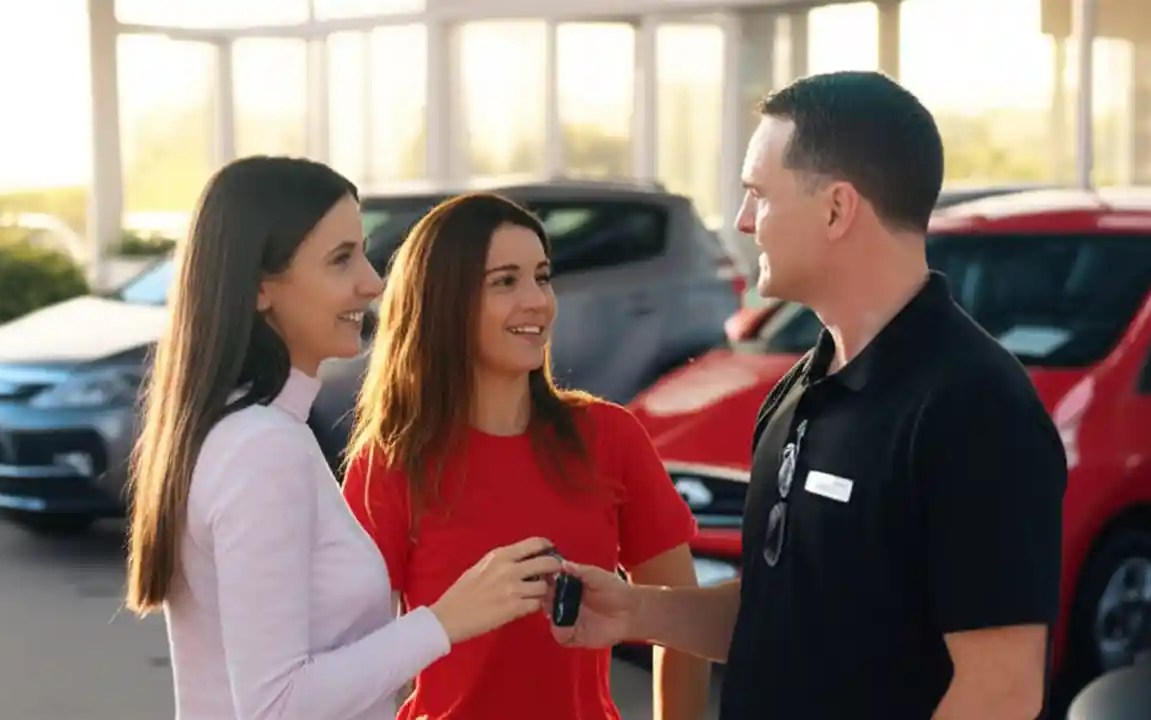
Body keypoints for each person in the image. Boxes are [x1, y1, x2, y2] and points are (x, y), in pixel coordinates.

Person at [548, 71, 1068, 720]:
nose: (741, 221)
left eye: (758, 196)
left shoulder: (974, 409)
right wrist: (635, 610)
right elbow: (781, 610)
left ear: (836, 209)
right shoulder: (799, 390)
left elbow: (1001, 691)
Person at [123, 156, 565, 720]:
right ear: (261, 287)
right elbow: (277, 706)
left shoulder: (261, 431)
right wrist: (448, 620)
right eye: (340, 260)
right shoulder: (261, 448)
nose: (373, 282)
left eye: (361, 252)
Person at [340, 192, 710, 720]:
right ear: (445, 302)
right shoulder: (390, 462)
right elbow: (358, 664)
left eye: (542, 275)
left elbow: (683, 617)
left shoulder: (609, 435)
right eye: (505, 281)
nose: (537, 299)